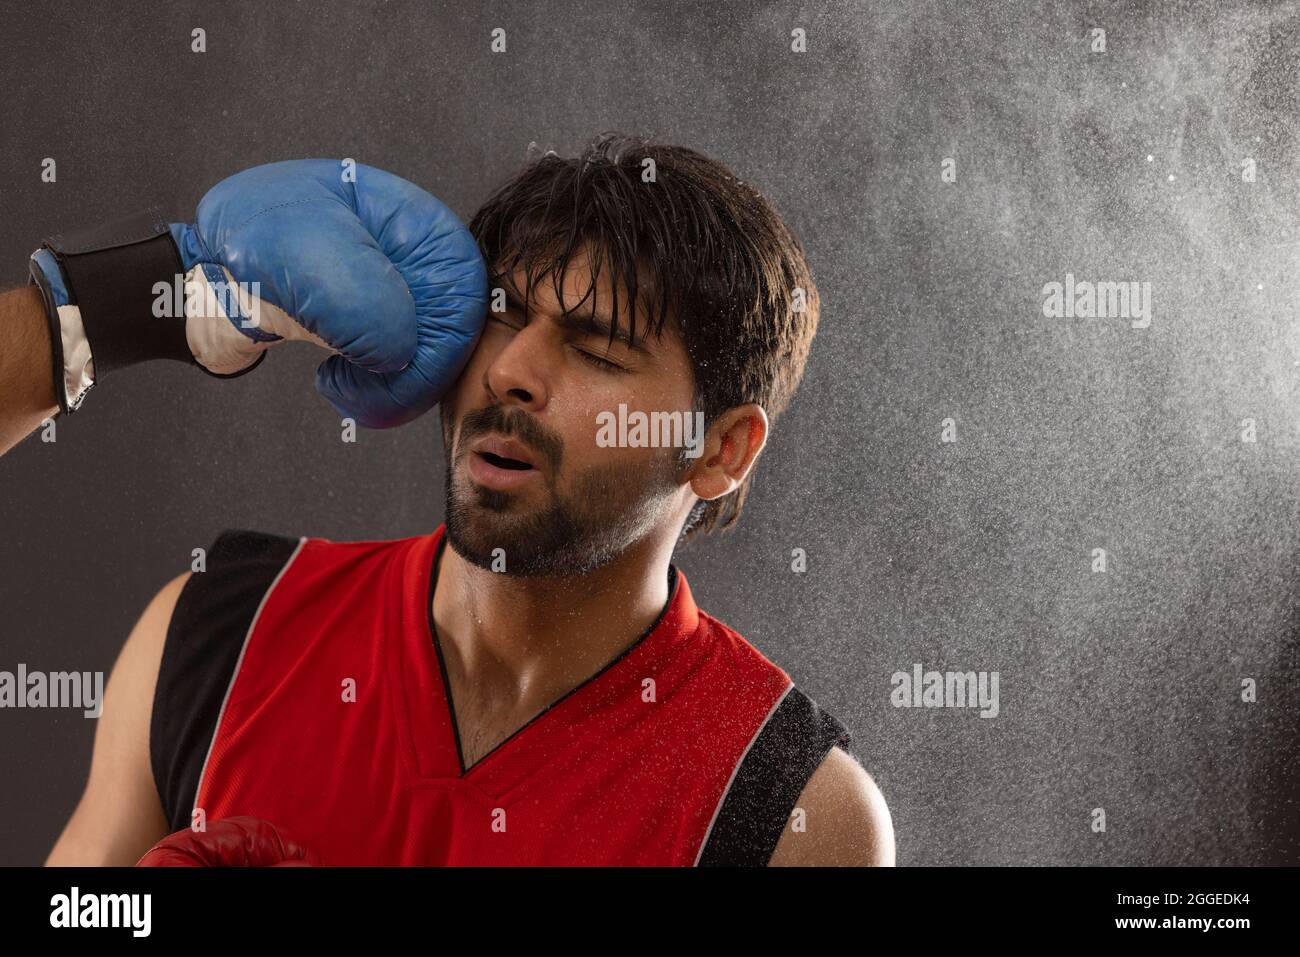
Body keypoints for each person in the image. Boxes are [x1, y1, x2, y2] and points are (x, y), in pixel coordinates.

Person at [38, 135, 895, 866]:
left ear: (720, 449)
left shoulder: (791, 810)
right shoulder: (217, 627)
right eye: (502, 314)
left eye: (596, 350)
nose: (511, 371)